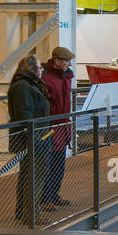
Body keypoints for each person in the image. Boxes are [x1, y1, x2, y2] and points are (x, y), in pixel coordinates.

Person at [7, 53, 51, 222]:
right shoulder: (23, 87)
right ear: (31, 68)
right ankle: (32, 214)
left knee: (29, 175)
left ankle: (24, 212)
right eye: (40, 67)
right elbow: (25, 115)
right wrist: (36, 138)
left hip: (37, 137)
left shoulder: (27, 84)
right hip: (33, 139)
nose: (42, 70)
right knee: (34, 177)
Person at [40, 46, 75, 206]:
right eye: (66, 61)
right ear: (57, 61)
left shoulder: (66, 76)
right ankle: (45, 199)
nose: (69, 64)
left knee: (59, 163)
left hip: (63, 126)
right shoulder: (46, 77)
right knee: (47, 164)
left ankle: (54, 195)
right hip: (50, 127)